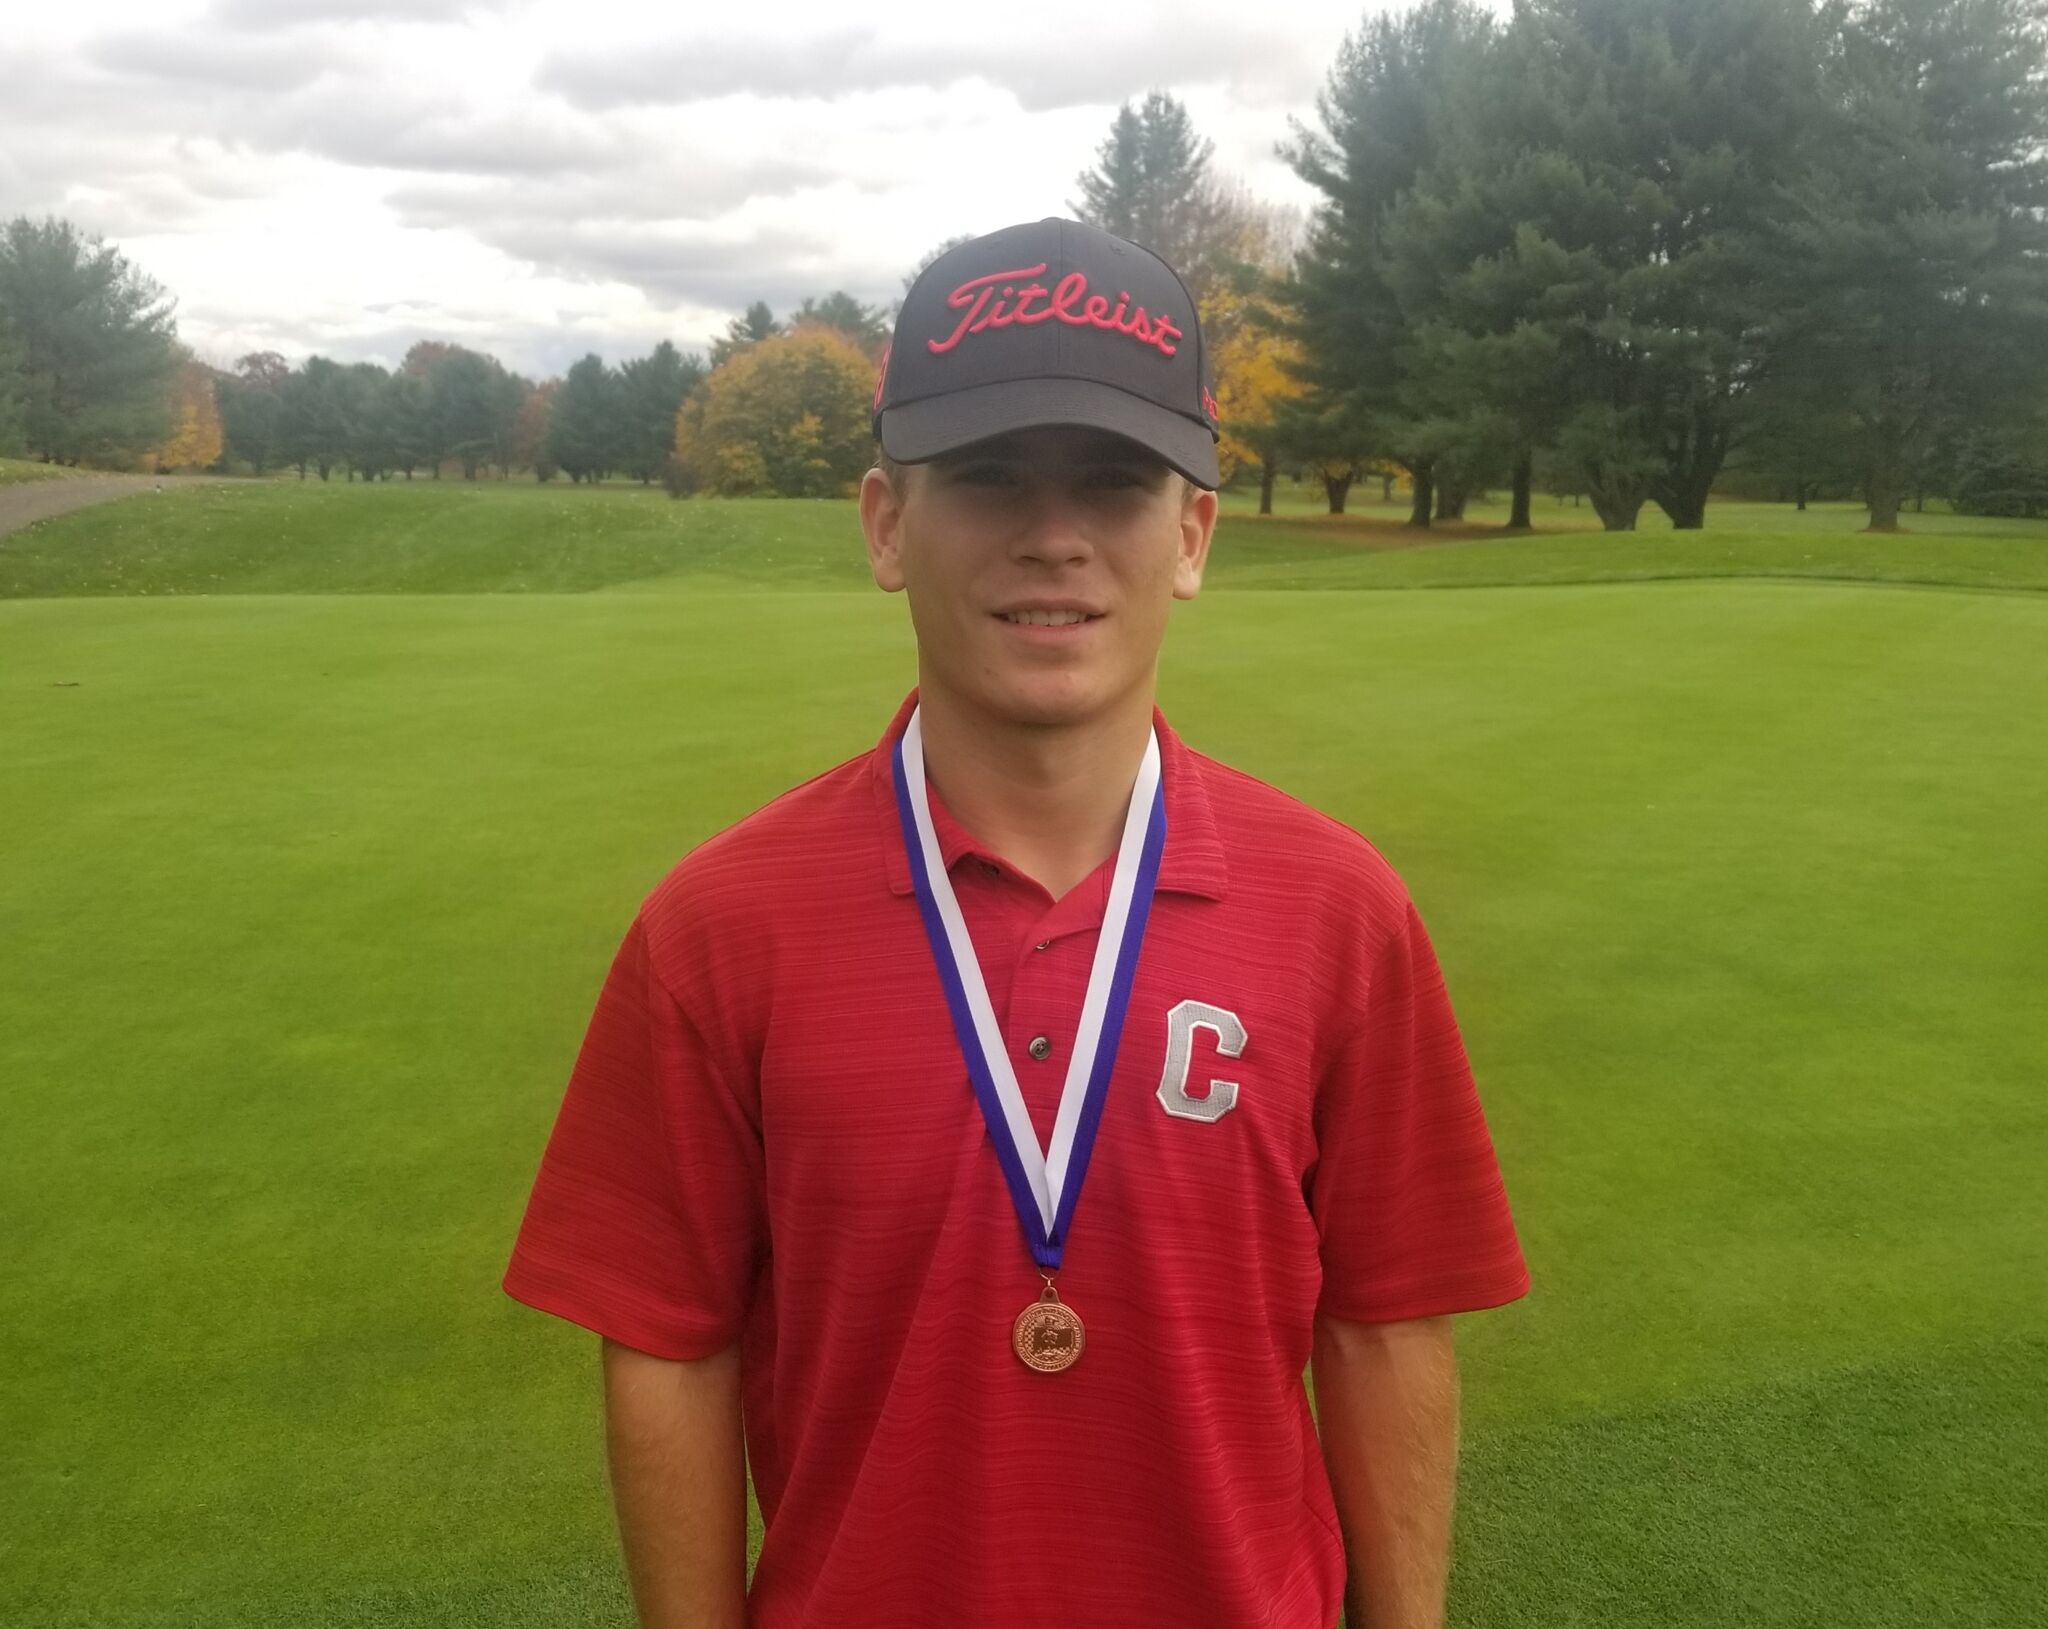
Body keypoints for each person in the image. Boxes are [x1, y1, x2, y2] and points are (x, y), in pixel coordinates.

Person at [504, 217, 1529, 1629]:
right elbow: (671, 1352)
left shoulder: (1340, 911)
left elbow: (1386, 1320)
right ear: (884, 524)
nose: (1053, 536)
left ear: (1191, 535)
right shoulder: (716, 928)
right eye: (988, 477)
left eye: (1112, 481)